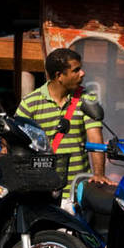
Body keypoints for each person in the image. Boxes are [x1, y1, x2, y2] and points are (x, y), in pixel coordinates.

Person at [14, 47, 109, 203]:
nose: (82, 73)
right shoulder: (30, 103)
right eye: (76, 70)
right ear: (59, 76)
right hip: (42, 190)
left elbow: (95, 138)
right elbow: (16, 138)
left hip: (76, 190)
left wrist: (99, 174)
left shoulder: (87, 98)